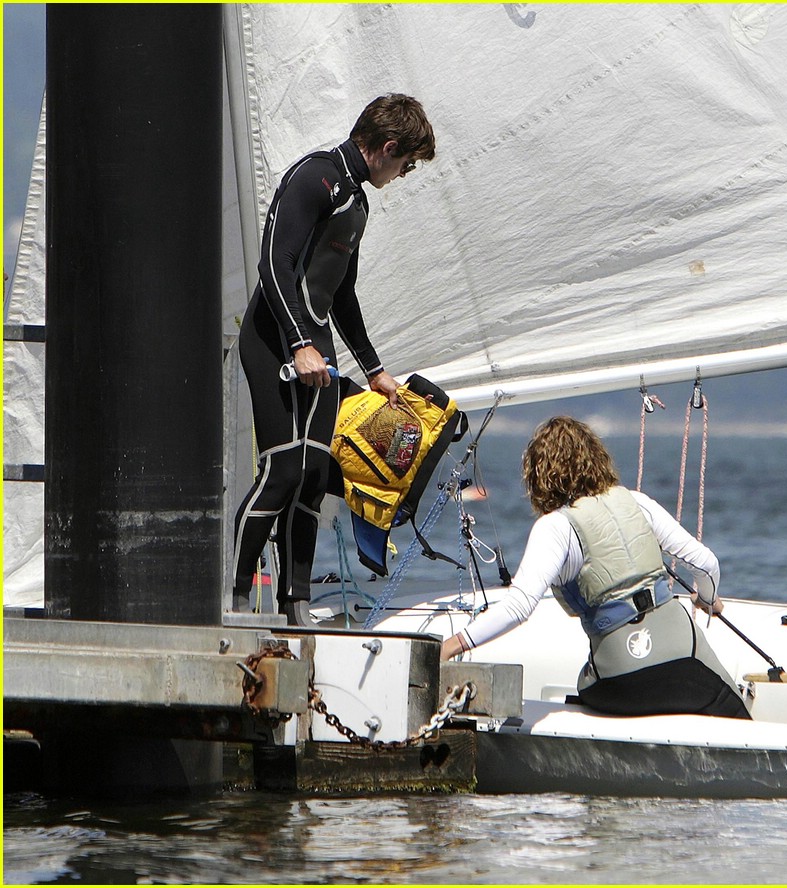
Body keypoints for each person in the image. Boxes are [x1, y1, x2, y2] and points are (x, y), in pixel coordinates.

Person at [231, 94, 435, 625]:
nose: (405, 173)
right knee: (281, 471)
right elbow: (274, 265)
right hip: (273, 339)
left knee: (313, 475)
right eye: (407, 163)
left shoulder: (356, 203)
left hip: (315, 347)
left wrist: (374, 370)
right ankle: (230, 600)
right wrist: (299, 343)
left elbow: (341, 294)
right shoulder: (315, 178)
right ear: (388, 147)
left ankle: (294, 606)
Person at [441, 417, 751, 719]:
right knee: (733, 705)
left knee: (587, 684)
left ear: (538, 476)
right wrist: (707, 600)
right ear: (597, 458)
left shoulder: (555, 527)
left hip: (621, 683)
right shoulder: (638, 503)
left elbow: (519, 607)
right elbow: (706, 563)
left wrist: (452, 646)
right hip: (686, 663)